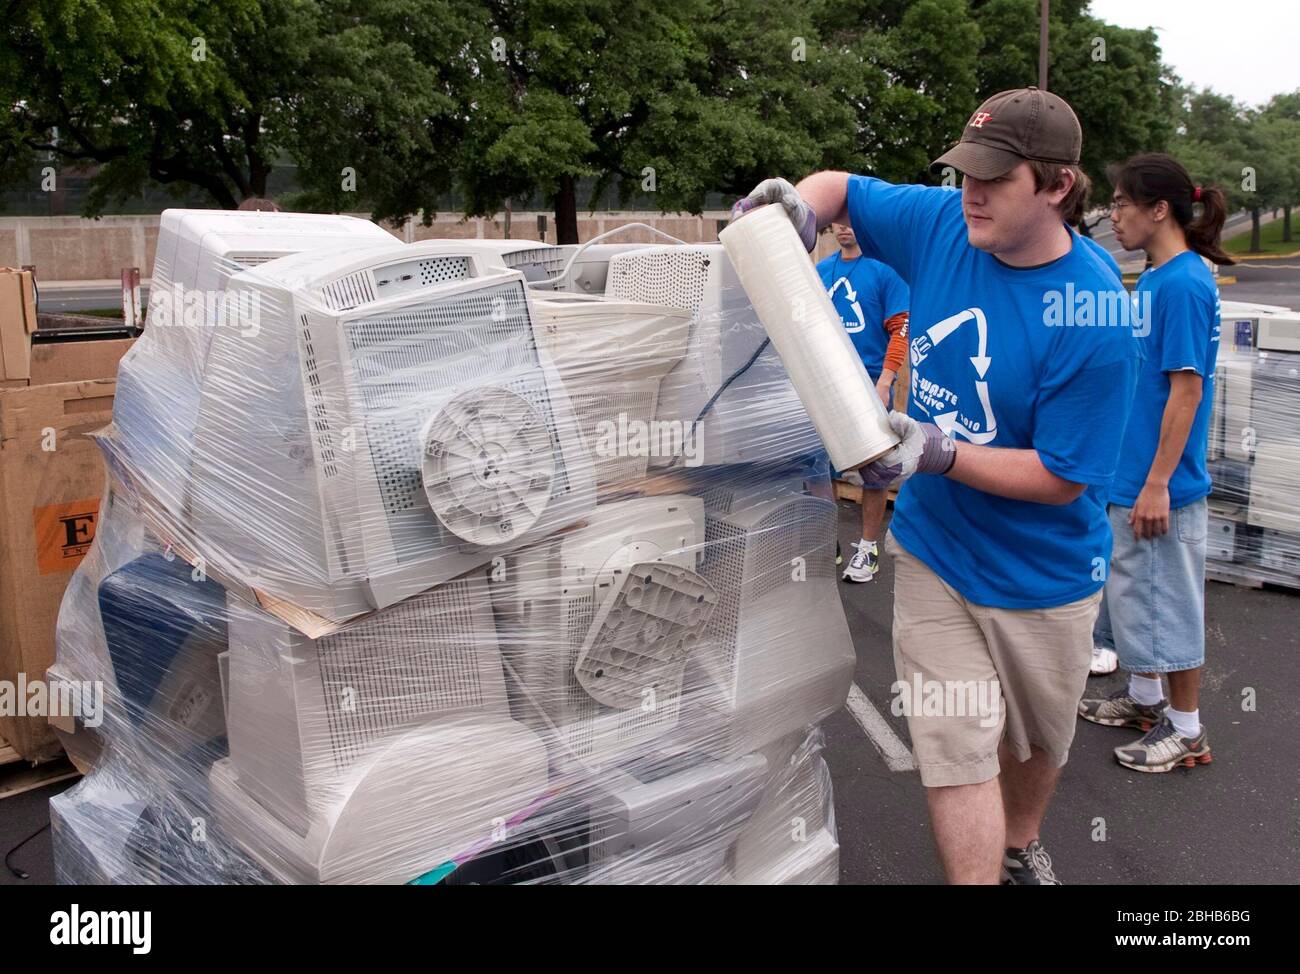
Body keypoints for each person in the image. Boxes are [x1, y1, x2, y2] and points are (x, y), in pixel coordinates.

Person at [732, 87, 1138, 885]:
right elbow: (840, 187)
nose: (971, 194)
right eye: (964, 174)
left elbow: (1063, 479)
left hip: (1045, 577)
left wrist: (938, 451)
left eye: (995, 178)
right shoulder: (944, 223)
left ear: (1056, 187)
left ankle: (1020, 843)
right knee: (954, 748)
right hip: (935, 553)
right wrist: (797, 212)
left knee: (1035, 747)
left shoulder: (1094, 316)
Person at [1078, 154, 1234, 773]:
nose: (1112, 216)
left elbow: (1187, 391)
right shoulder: (1159, 277)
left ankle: (1187, 728)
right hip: (1132, 471)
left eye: (1120, 204)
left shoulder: (1185, 284)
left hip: (1160, 481)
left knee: (1167, 603)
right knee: (1132, 599)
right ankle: (1145, 700)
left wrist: (1158, 484)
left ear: (1158, 210)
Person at [816, 223, 910, 582]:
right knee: (817, 468)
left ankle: (868, 549)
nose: (842, 228)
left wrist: (885, 382)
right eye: (837, 222)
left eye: (850, 221)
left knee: (875, 468)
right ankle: (829, 544)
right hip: (826, 382)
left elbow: (900, 327)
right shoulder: (823, 271)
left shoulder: (885, 269)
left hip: (869, 381)